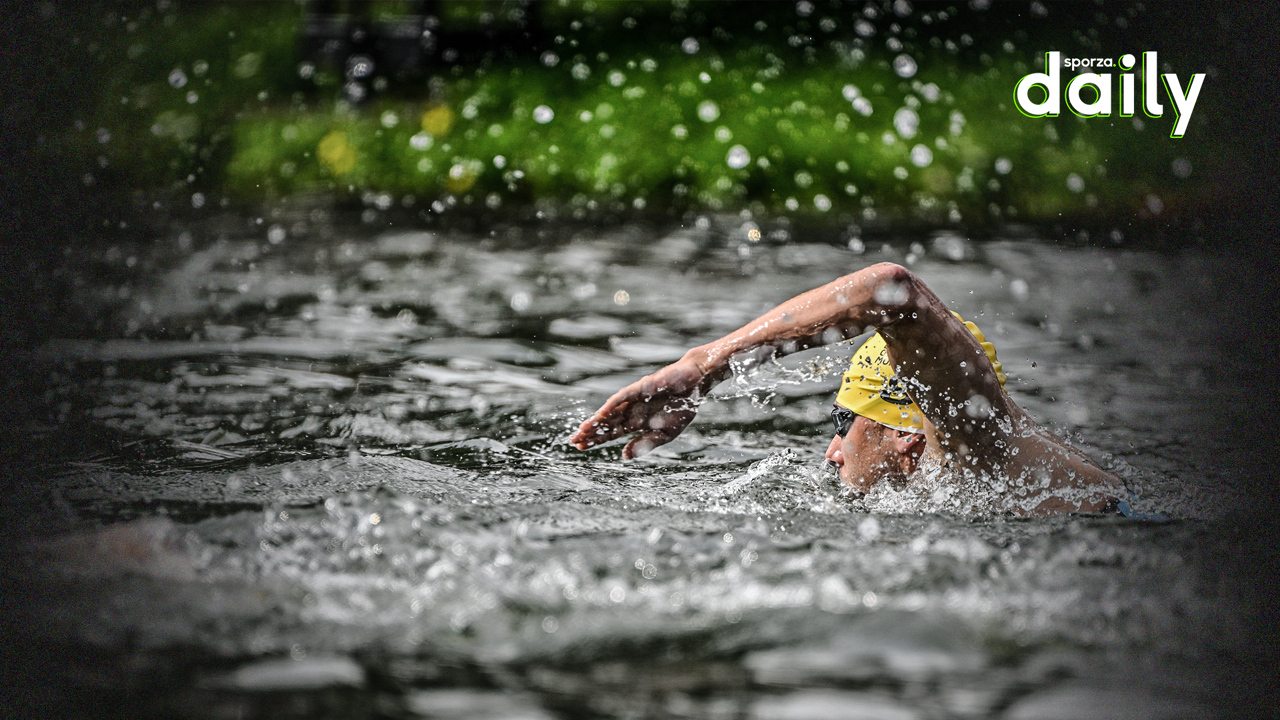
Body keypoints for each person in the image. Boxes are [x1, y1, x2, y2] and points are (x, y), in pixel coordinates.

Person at [569, 262, 1121, 516]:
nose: (832, 452)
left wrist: (704, 366)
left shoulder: (980, 449)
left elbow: (893, 289)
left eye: (843, 422)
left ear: (908, 434)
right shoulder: (997, 468)